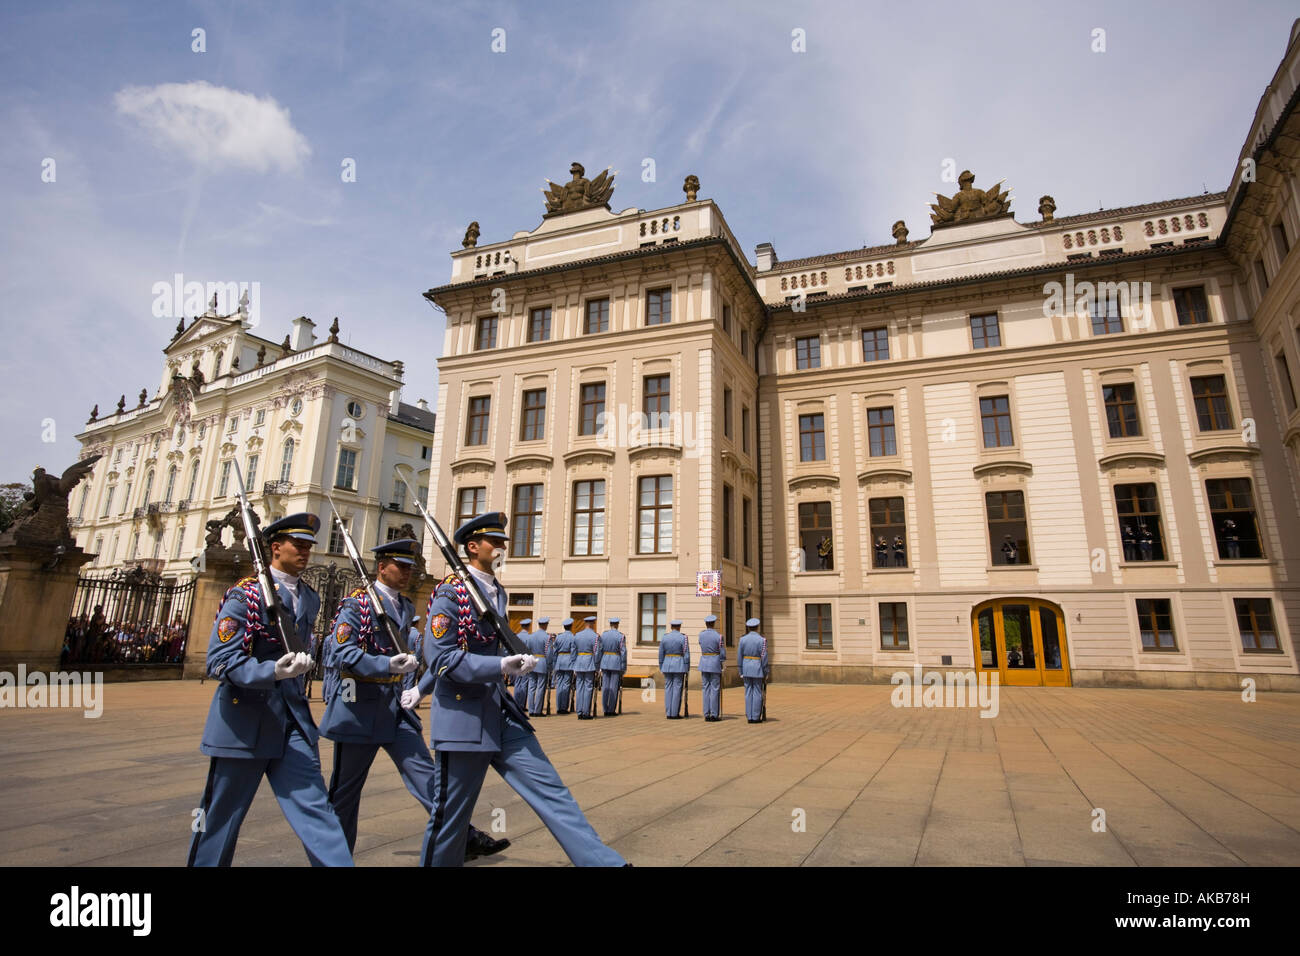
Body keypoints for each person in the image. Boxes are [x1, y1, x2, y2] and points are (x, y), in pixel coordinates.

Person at [411, 512, 626, 867]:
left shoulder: (495, 591)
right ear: (472, 547)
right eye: (494, 543)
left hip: (500, 712)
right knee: (450, 817)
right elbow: (442, 660)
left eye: (503, 543)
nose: (501, 548)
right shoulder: (450, 594)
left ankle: (605, 863)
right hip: (463, 720)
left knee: (553, 792)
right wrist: (497, 666)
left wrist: (512, 662)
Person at [319, 538, 507, 863]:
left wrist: (417, 687)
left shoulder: (405, 606)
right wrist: (384, 664)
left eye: (410, 567)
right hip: (358, 709)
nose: (407, 573)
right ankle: (335, 857)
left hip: (394, 709)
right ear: (382, 567)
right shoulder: (357, 604)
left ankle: (463, 836)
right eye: (401, 566)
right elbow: (340, 652)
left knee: (428, 778)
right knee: (345, 794)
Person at [186, 513, 352, 867]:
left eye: (309, 546)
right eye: (299, 545)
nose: (306, 552)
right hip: (244, 722)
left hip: (292, 722)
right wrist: (270, 671)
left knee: (317, 811)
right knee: (221, 818)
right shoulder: (244, 595)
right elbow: (219, 660)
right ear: (276, 548)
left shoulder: (309, 596)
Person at [737, 618, 769, 723]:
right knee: (757, 692)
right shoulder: (762, 640)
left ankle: (749, 716)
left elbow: (739, 656)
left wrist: (740, 670)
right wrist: (765, 671)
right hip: (757, 667)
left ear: (748, 627)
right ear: (757, 627)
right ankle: (755, 716)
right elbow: (764, 657)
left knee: (748, 692)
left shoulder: (742, 639)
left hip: (746, 667)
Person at [659, 620, 689, 719]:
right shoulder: (683, 638)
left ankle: (668, 712)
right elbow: (686, 655)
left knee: (668, 689)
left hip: (667, 664)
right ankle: (674, 713)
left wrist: (661, 665)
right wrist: (687, 667)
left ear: (671, 627)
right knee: (677, 689)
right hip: (679, 664)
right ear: (679, 627)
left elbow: (661, 653)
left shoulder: (665, 637)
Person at [597, 616, 627, 716]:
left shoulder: (603, 635)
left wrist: (599, 664)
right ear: (617, 625)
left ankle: (605, 708)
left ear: (610, 625)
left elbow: (599, 650)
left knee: (605, 686)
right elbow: (623, 652)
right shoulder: (620, 636)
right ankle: (611, 709)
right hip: (615, 662)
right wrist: (623, 667)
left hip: (605, 661)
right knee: (613, 687)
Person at [697, 614, 725, 721]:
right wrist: (722, 662)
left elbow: (701, 645)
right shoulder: (719, 636)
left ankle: (706, 713)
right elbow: (722, 652)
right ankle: (714, 714)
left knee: (705, 689)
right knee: (715, 688)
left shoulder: (701, 635)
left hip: (704, 662)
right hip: (715, 663)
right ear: (713, 623)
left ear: (706, 624)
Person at [526, 617, 556, 716]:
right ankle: (537, 710)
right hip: (542, 662)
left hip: (532, 661)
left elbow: (527, 650)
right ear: (545, 625)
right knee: (540, 687)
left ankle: (530, 709)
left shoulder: (531, 636)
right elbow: (549, 653)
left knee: (531, 687)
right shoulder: (547, 637)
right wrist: (549, 665)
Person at [572, 616, 600, 719]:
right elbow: (597, 653)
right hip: (589, 662)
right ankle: (586, 712)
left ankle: (579, 712)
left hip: (579, 662)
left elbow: (573, 651)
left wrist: (574, 664)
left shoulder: (577, 635)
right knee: (588, 688)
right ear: (592, 623)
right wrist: (597, 667)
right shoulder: (595, 636)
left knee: (579, 688)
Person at [553, 617, 576, 714]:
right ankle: (563, 707)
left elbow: (554, 651)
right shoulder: (572, 637)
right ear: (571, 626)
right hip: (568, 661)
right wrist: (574, 664)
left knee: (559, 684)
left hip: (559, 661)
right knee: (566, 684)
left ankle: (559, 707)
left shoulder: (559, 637)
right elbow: (573, 652)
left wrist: (554, 663)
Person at [512, 618, 533, 706]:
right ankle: (522, 704)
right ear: (528, 626)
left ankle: (516, 702)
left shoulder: (516, 636)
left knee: (517, 682)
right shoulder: (529, 637)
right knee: (524, 682)